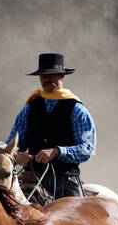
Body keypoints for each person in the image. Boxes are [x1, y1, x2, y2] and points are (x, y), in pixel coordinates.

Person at [6, 52, 96, 201]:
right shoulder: (28, 109)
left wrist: (57, 152)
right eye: (43, 75)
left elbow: (88, 148)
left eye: (51, 75)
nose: (46, 79)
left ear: (62, 76)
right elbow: (11, 145)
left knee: (77, 222)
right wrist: (16, 156)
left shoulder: (77, 110)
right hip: (31, 181)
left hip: (65, 182)